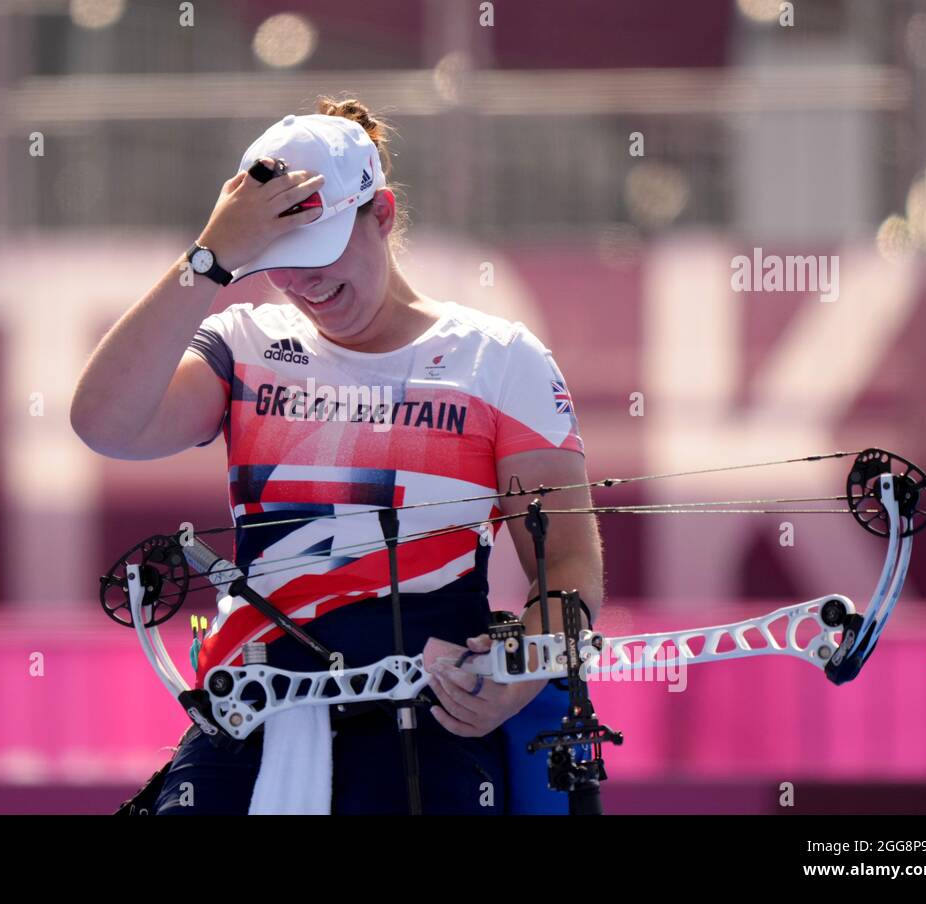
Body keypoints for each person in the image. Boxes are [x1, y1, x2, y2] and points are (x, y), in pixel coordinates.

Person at [71, 97, 604, 814]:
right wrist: (210, 258)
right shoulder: (243, 342)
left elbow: (567, 564)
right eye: (277, 263)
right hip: (252, 711)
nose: (303, 285)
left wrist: (521, 677)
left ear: (381, 214)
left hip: (428, 714)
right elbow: (106, 424)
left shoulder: (500, 359)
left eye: (317, 256)